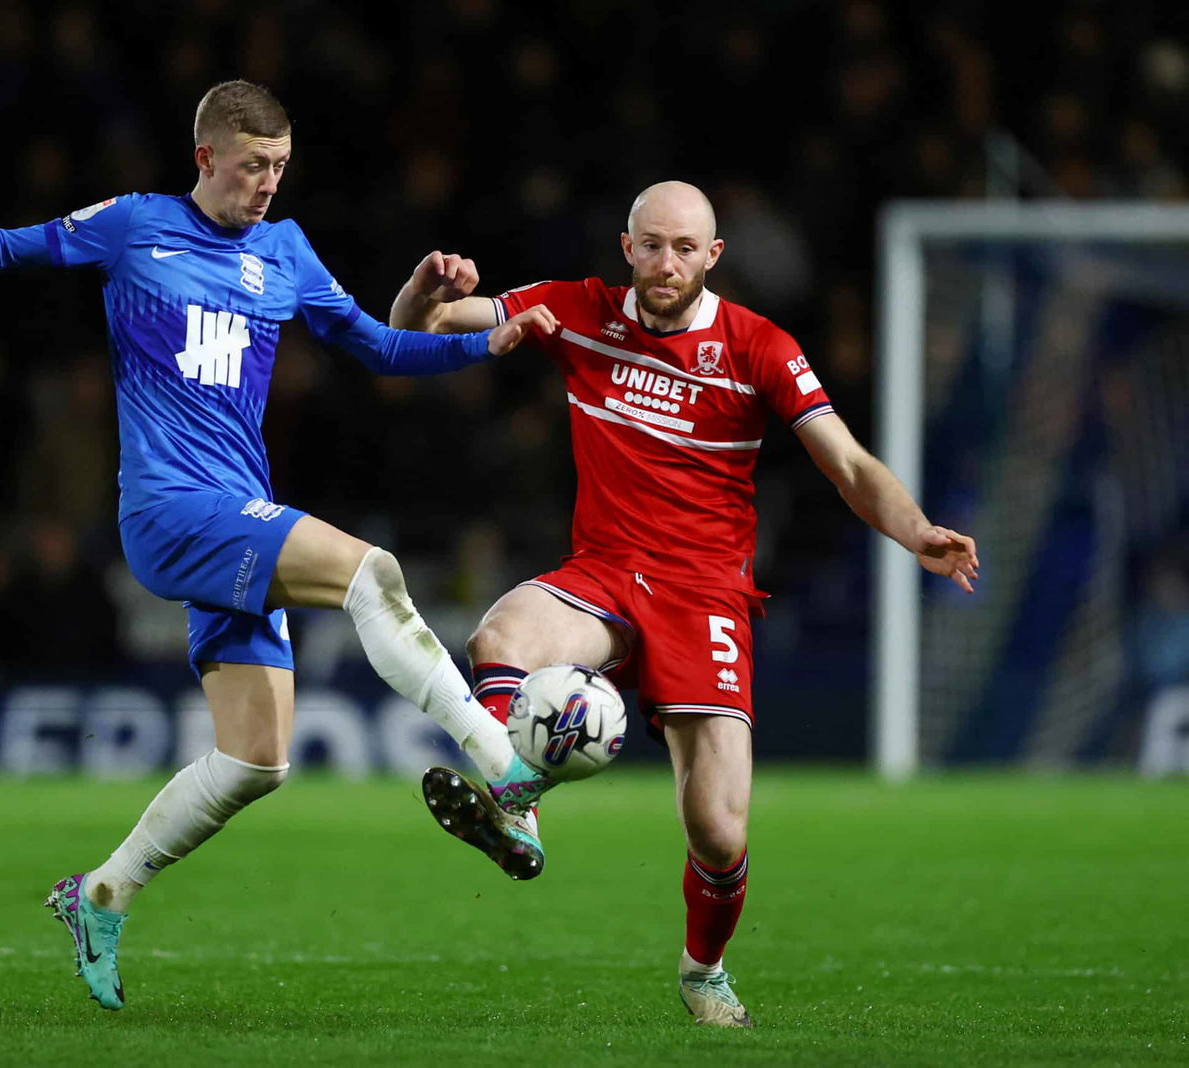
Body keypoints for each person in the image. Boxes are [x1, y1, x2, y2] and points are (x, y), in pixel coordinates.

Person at [0, 80, 559, 1011]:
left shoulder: (286, 251)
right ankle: (502, 764)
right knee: (369, 570)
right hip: (170, 511)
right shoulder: (135, 225)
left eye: (281, 168)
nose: (268, 184)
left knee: (258, 760)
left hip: (236, 518)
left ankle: (100, 894)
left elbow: (380, 350)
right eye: (254, 165)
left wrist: (487, 341)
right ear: (206, 158)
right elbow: (11, 246)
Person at [389, 181, 979, 1028]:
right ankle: (517, 803)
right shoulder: (578, 310)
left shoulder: (759, 347)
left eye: (684, 249)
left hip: (705, 595)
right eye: (652, 245)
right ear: (626, 247)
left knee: (718, 831)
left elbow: (846, 464)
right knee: (501, 632)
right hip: (606, 572)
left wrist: (915, 529)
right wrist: (423, 293)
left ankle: (704, 971)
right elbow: (414, 339)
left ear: (714, 257)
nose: (667, 263)